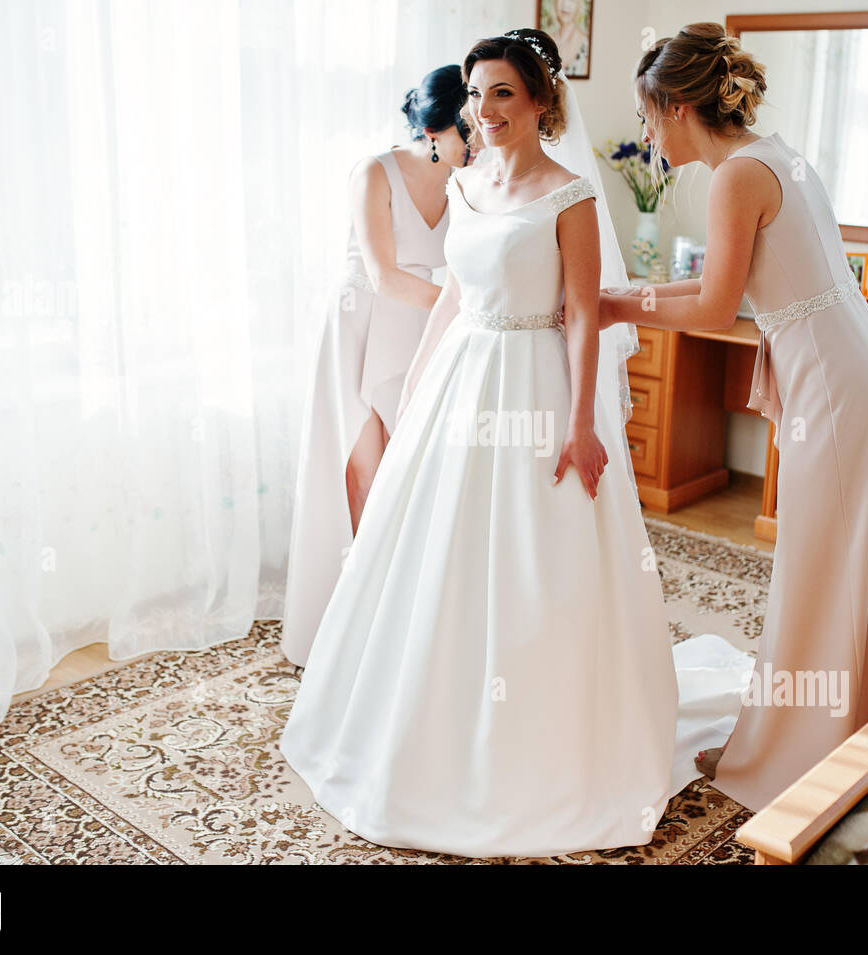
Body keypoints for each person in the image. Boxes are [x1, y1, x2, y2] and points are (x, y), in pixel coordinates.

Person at [279, 29, 679, 857]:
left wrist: (579, 424)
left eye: (503, 92)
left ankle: (537, 752)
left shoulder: (568, 197)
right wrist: (418, 393)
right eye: (476, 93)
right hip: (461, 377)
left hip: (534, 384)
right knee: (431, 560)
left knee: (536, 561)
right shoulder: (464, 186)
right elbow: (453, 298)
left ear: (540, 102)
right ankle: (421, 737)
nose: (485, 110)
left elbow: (580, 316)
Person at [600, 22, 868, 812]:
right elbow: (729, 288)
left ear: (676, 106)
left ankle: (794, 755)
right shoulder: (775, 154)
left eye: (646, 117)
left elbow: (713, 302)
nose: (645, 135)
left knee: (816, 565)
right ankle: (851, 727)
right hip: (860, 369)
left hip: (838, 387)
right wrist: (620, 302)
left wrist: (618, 303)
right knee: (845, 561)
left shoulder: (738, 177)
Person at [282, 66, 470, 667]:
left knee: (411, 472)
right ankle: (355, 622)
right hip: (362, 325)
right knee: (365, 468)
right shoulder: (375, 172)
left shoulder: (467, 183)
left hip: (422, 329)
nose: (484, 141)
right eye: (473, 128)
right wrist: (466, 306)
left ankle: (399, 615)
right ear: (440, 126)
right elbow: (386, 274)